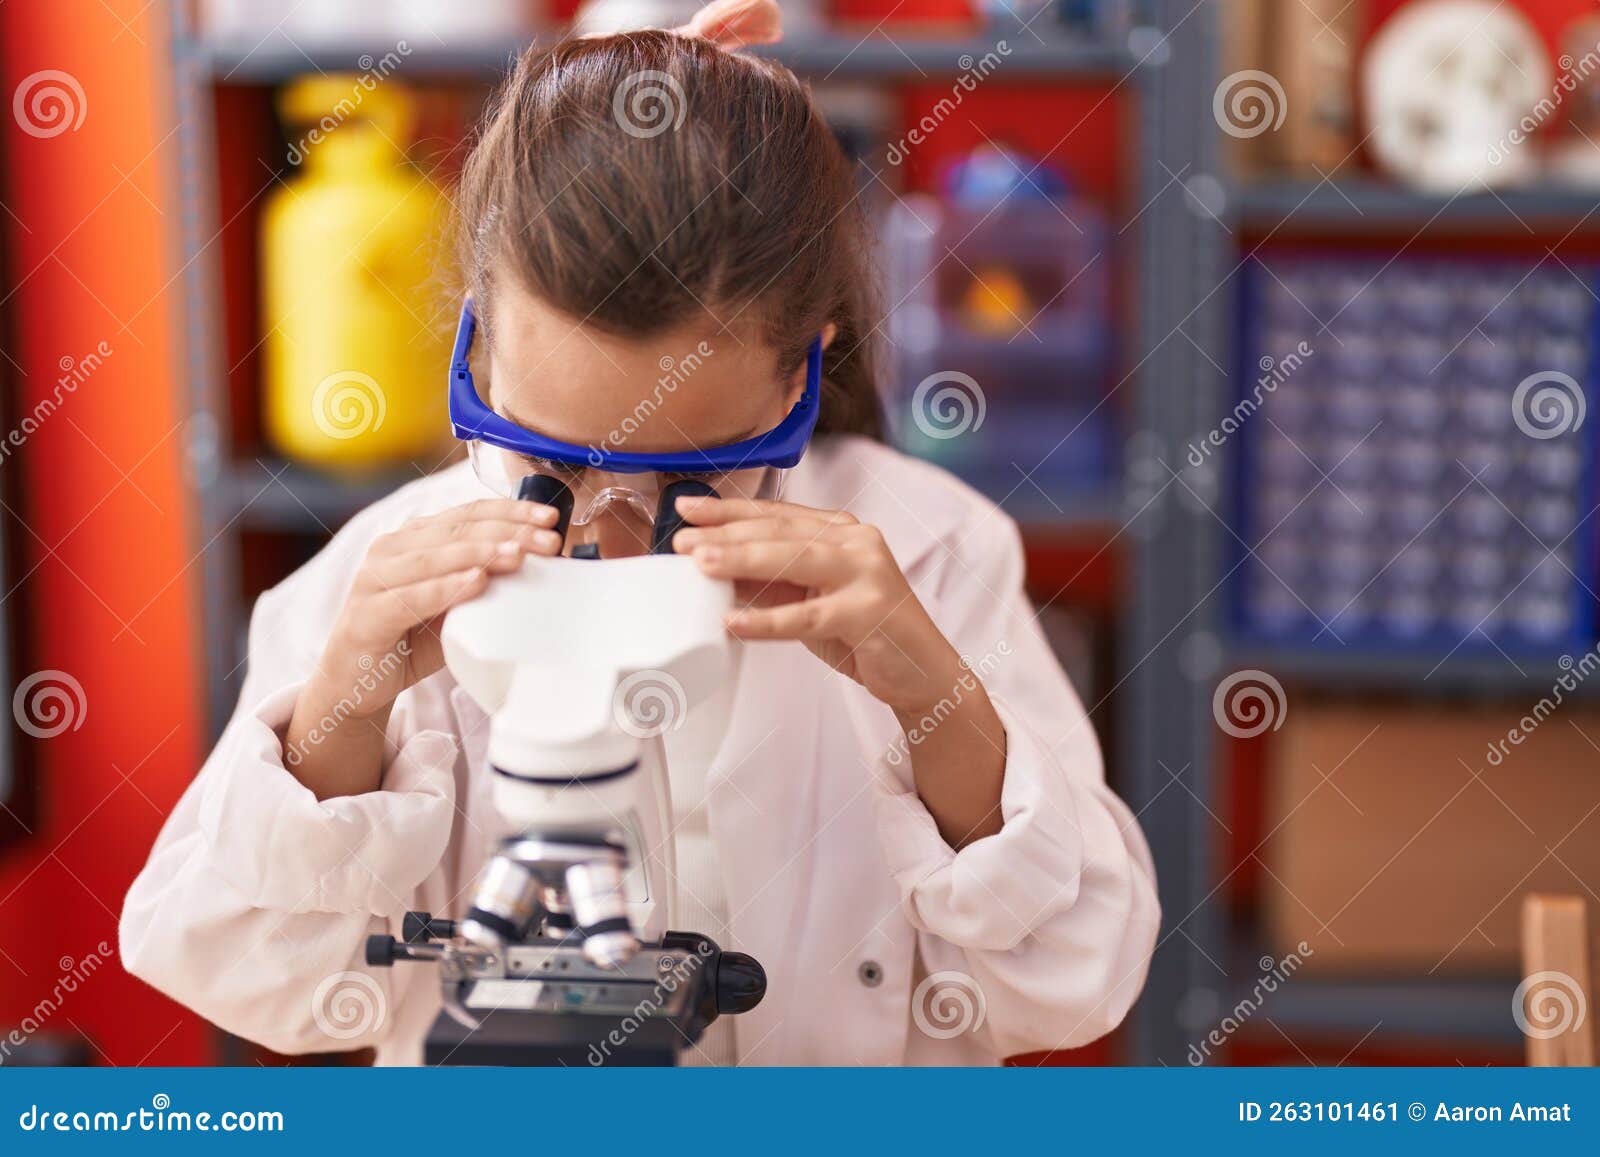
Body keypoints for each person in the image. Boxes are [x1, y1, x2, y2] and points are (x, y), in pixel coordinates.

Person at [120, 0, 1159, 1065]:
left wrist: (934, 703)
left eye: (688, 472)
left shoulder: (931, 550)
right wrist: (342, 712)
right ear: (476, 338)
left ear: (807, 366)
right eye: (554, 459)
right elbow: (232, 969)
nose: (612, 522)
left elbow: (1079, 978)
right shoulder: (387, 573)